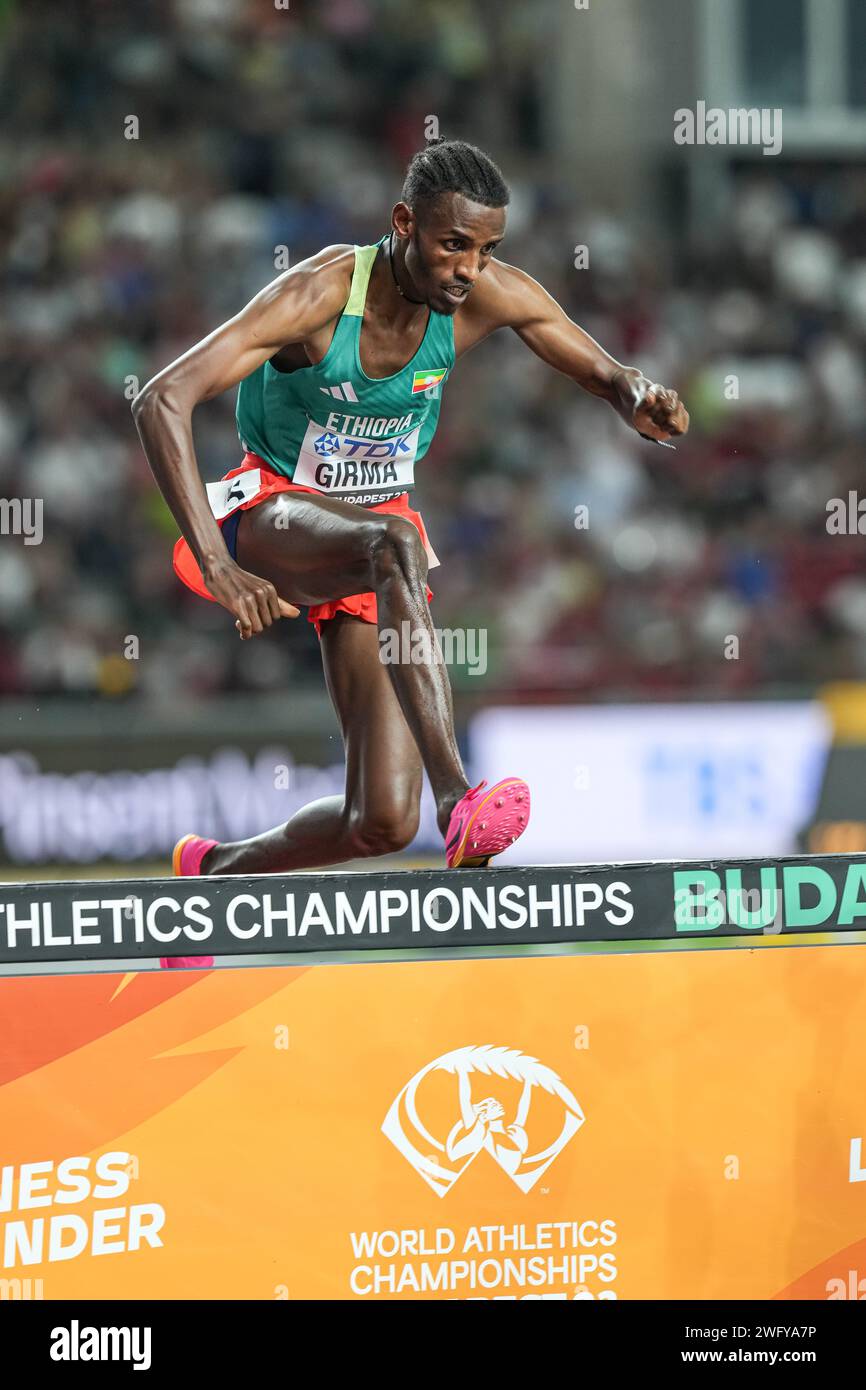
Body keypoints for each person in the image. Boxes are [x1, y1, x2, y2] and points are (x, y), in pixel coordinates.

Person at [132, 138, 688, 968]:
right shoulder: (319, 296)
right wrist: (217, 561)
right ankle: (460, 799)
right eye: (451, 244)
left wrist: (636, 395)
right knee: (397, 541)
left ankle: (208, 880)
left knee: (380, 821)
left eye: (486, 249)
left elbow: (603, 369)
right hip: (273, 512)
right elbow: (161, 397)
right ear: (403, 223)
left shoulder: (484, 297)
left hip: (367, 542)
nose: (468, 268)